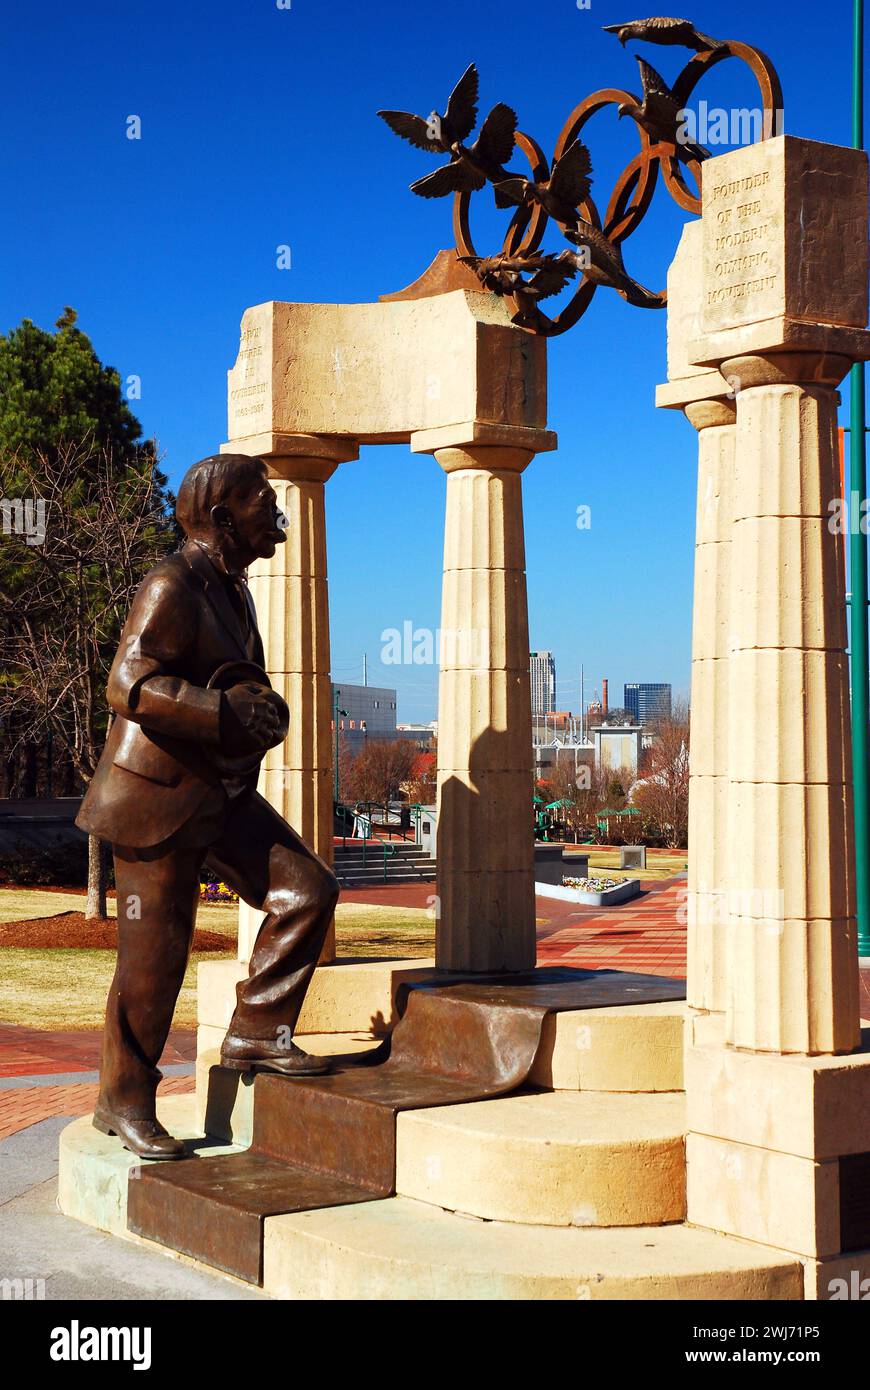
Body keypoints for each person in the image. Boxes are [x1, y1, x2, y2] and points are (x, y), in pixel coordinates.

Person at [77, 453, 339, 1160]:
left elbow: (232, 679)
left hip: (217, 793)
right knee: (154, 958)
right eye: (262, 497)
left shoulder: (236, 587)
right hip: (152, 801)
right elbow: (127, 682)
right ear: (223, 518)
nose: (274, 507)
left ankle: (257, 1029)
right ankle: (121, 1100)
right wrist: (220, 714)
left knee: (306, 889)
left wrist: (260, 713)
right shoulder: (174, 582)